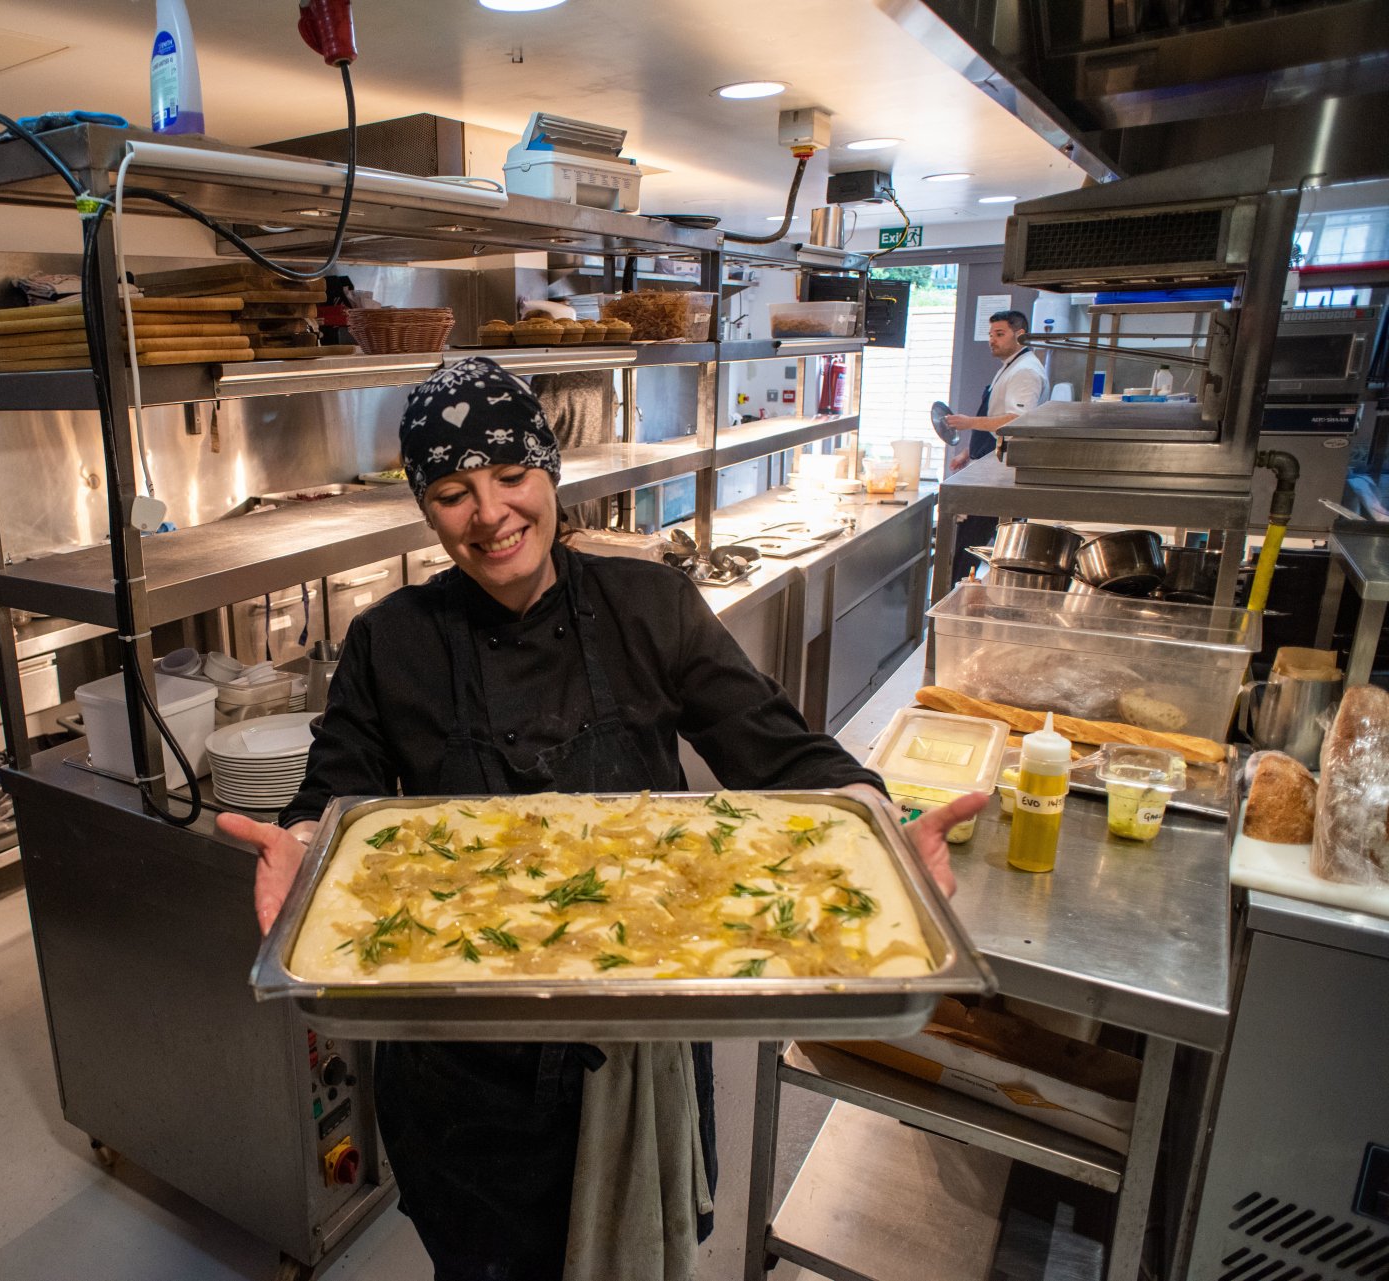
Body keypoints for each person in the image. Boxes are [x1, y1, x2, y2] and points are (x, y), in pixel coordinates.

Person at [218, 357, 982, 1281]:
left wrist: (876, 819)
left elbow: (775, 748)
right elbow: (333, 797)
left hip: (636, 1045)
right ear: (426, 507)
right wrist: (301, 848)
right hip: (464, 1078)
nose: (490, 513)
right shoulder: (393, 642)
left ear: (550, 471)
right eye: (453, 491)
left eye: (509, 476)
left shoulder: (648, 605)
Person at [943, 308, 1047, 579]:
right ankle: (958, 588)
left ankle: (956, 596)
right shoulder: (1011, 366)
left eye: (1000, 334)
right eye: (991, 334)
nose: (992, 340)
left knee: (970, 544)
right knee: (966, 542)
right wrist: (969, 451)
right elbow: (995, 414)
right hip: (987, 465)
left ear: (1020, 335)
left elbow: (1016, 420)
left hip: (1000, 473)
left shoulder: (1026, 371)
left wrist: (969, 422)